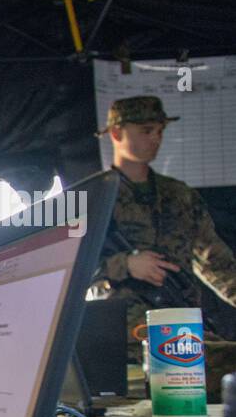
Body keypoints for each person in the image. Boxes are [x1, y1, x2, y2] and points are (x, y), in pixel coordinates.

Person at [94, 96, 236, 393]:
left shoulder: (179, 195)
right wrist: (126, 264)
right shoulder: (88, 197)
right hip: (123, 348)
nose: (156, 139)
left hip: (182, 340)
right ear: (117, 134)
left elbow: (217, 263)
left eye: (160, 131)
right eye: (147, 130)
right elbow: (64, 268)